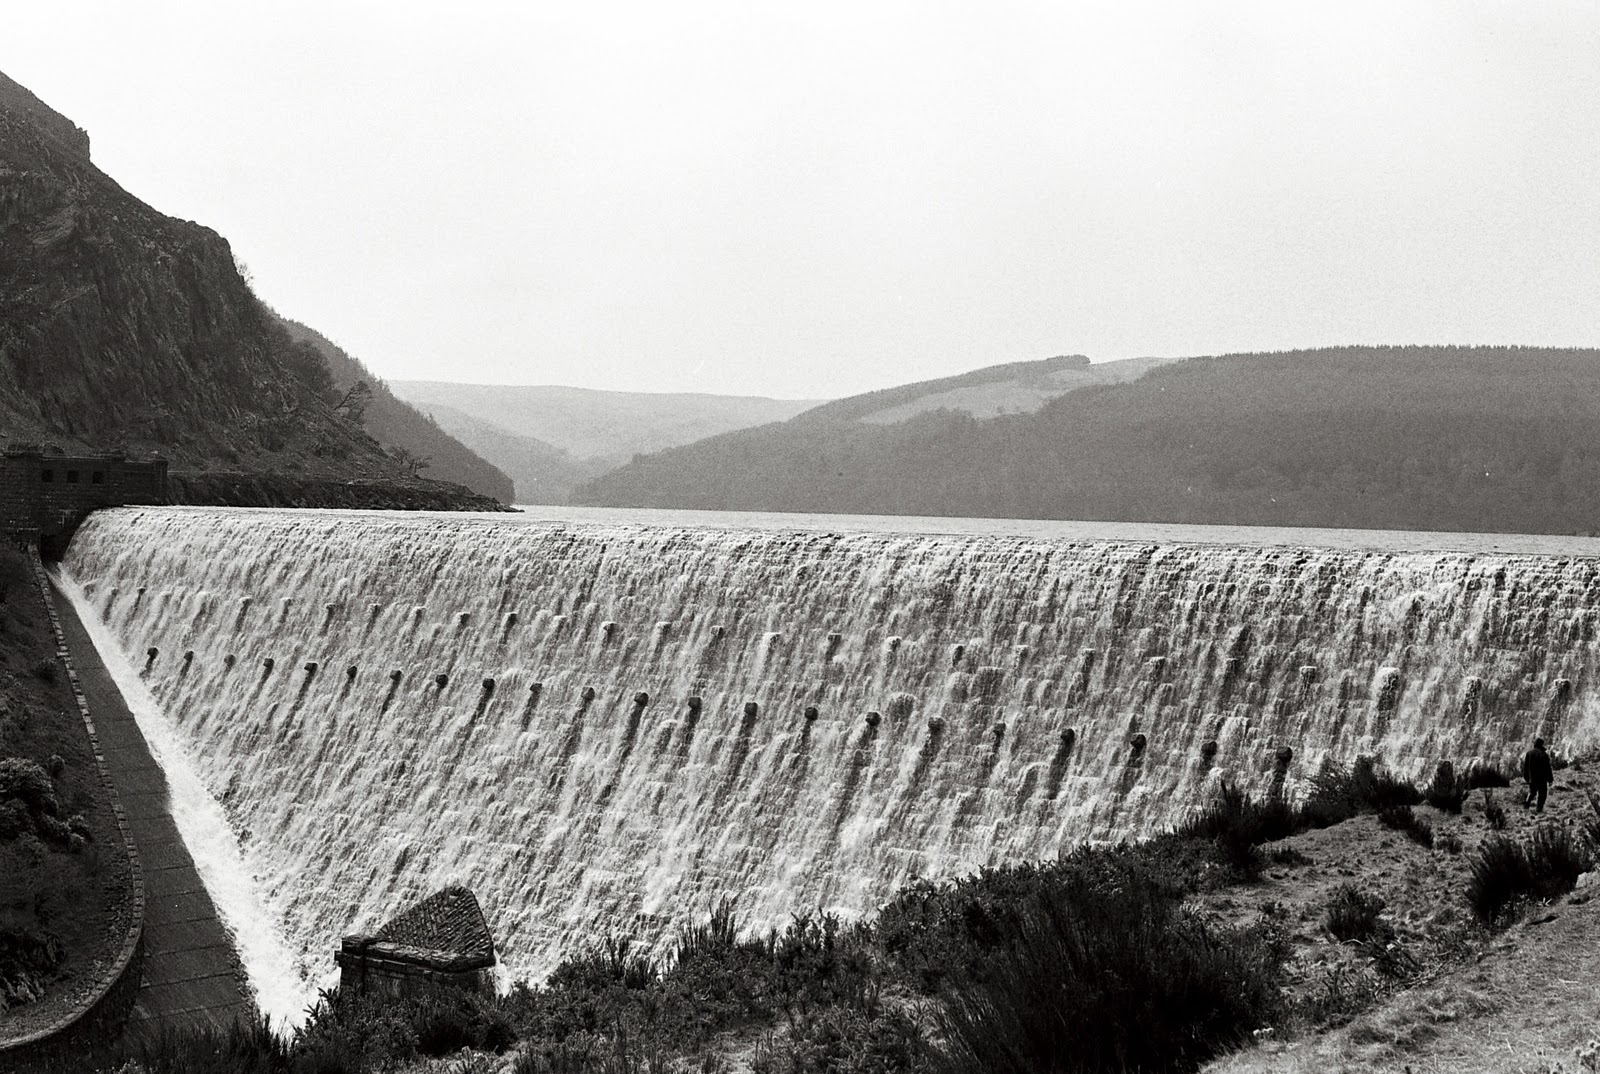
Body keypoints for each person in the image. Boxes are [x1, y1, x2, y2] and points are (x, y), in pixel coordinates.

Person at [1522, 737, 1554, 812]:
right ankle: (1539, 809)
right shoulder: (1544, 754)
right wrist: (1550, 779)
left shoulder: (1529, 753)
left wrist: (1526, 777)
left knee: (1532, 792)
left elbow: (1525, 767)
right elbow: (1548, 768)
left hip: (1532, 778)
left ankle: (1527, 803)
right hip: (1542, 778)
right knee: (1542, 794)